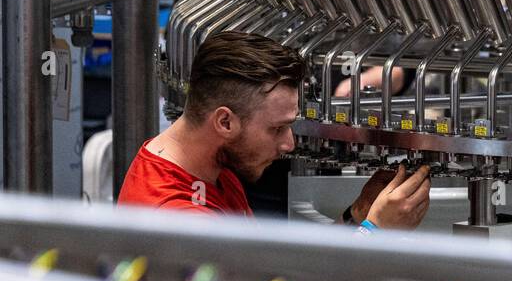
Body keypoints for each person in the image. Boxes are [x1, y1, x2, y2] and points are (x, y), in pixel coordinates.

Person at [118, 30, 430, 229]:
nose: (289, 144)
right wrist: (376, 232)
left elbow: (276, 278)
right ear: (225, 122)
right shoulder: (176, 218)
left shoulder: (212, 167)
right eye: (277, 129)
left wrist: (357, 216)